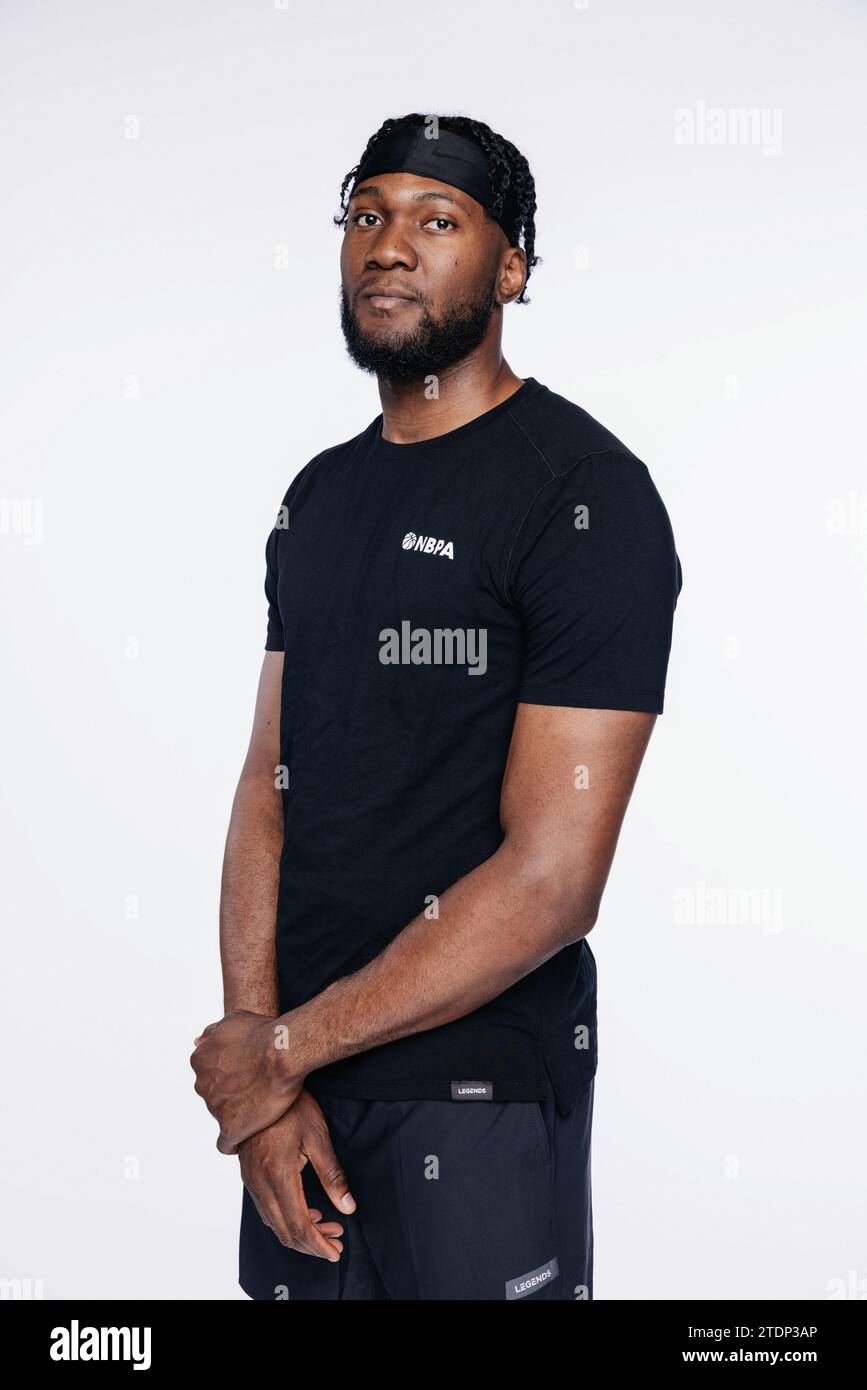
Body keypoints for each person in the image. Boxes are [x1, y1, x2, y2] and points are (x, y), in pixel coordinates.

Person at [190, 111, 683, 1301]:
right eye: (366, 214)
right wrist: (266, 1079)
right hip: (300, 1105)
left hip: (481, 1101)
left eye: (437, 219)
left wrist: (280, 1050)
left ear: (512, 268)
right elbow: (269, 788)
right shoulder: (321, 494)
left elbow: (554, 881)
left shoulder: (585, 497)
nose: (389, 245)